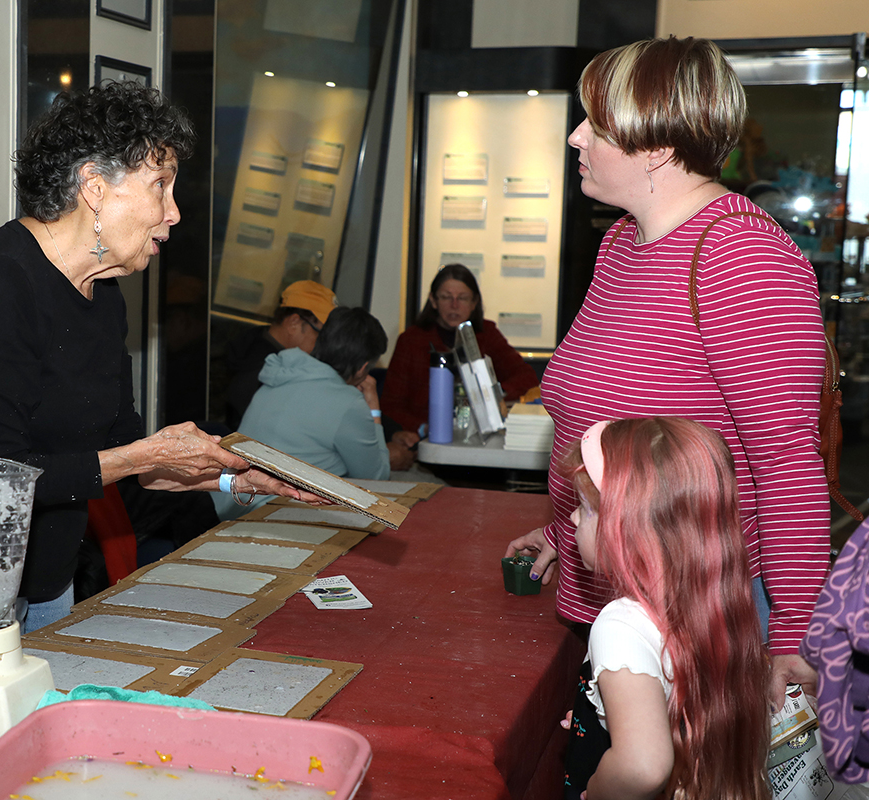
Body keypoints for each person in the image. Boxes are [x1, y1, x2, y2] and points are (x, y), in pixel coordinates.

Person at [0, 82, 320, 654]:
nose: (174, 213)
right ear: (94, 187)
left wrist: (231, 475)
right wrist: (149, 453)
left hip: (48, 572)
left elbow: (121, 458)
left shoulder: (102, 292)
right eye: (160, 186)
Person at [505, 36, 828, 703]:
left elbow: (788, 464)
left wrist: (793, 635)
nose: (574, 137)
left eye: (595, 124)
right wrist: (573, 525)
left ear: (654, 146)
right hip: (621, 603)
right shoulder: (621, 242)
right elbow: (616, 426)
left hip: (699, 622)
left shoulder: (741, 258)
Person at [559, 417, 770, 800]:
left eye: (587, 509)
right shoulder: (716, 605)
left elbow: (642, 766)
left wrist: (600, 790)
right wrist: (608, 713)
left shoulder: (620, 624)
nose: (573, 517)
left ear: (629, 529)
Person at [212, 306, 391, 521]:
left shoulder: (279, 374)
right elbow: (376, 478)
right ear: (362, 369)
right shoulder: (349, 403)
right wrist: (374, 409)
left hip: (227, 502)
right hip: (274, 514)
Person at [380, 263, 538, 434]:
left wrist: (493, 392)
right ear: (433, 300)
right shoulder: (411, 340)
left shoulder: (487, 334)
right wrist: (421, 428)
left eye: (462, 298)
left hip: (478, 431)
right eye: (446, 297)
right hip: (423, 435)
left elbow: (526, 377)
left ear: (474, 303)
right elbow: (391, 405)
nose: (454, 306)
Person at [223, 280, 338, 430]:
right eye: (321, 334)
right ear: (293, 323)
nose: (325, 343)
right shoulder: (269, 374)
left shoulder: (248, 343)